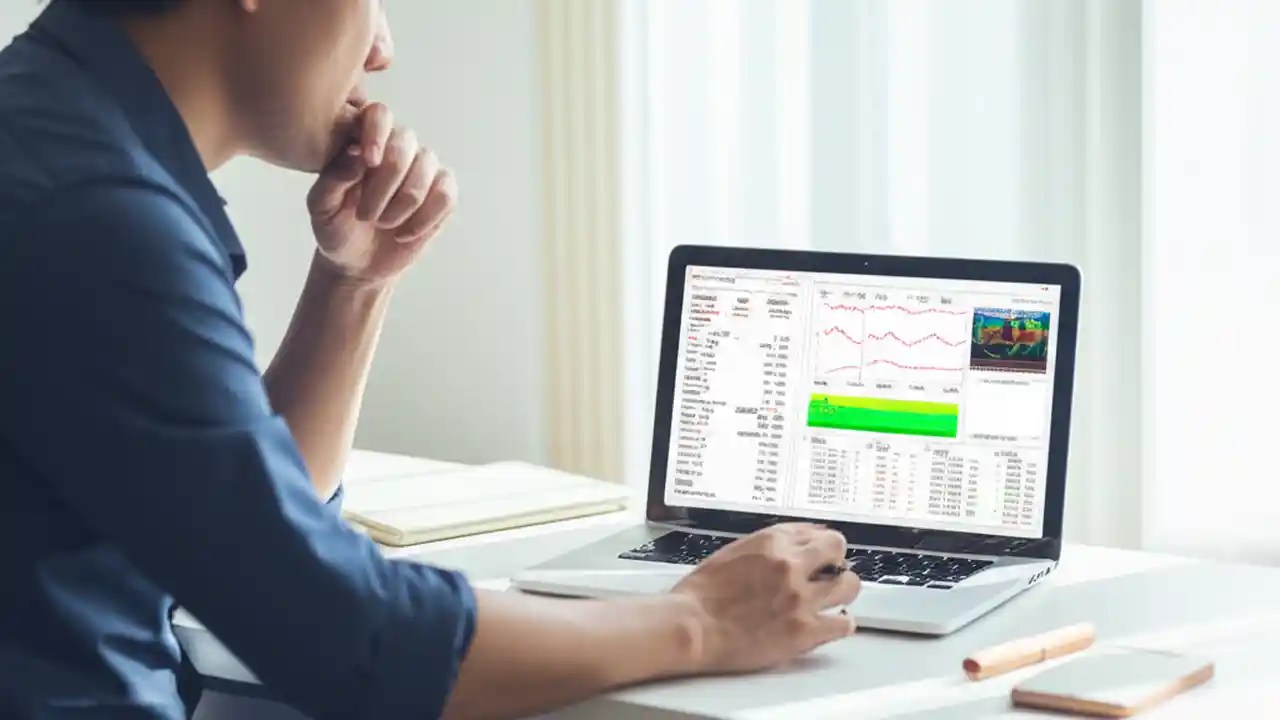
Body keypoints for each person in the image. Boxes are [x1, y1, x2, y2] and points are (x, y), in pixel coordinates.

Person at [0, 1, 861, 718]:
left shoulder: (48, 131)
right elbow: (337, 635)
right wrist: (700, 622)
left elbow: (234, 539)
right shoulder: (101, 215)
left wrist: (355, 284)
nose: (380, 47)